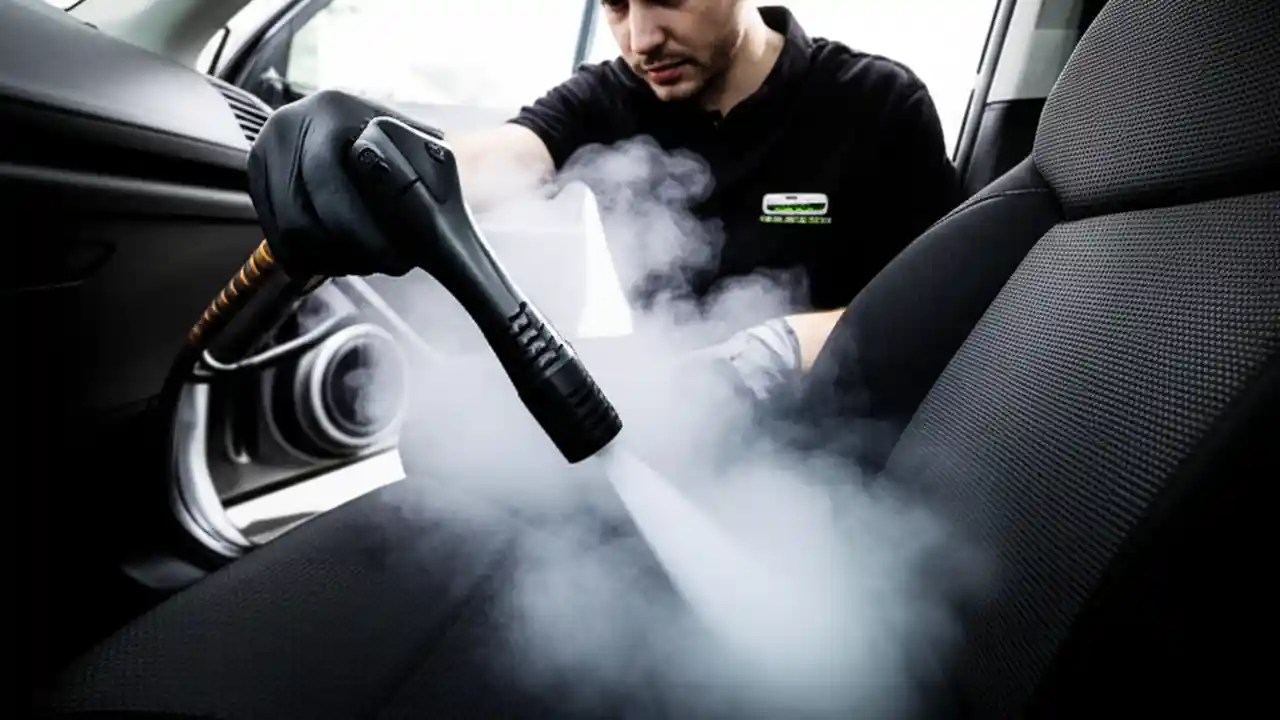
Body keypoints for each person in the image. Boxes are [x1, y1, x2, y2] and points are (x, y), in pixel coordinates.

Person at [247, 0, 963, 404]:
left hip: (833, 425)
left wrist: (767, 353)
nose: (641, 38)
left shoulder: (879, 103)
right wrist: (371, 165)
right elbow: (506, 156)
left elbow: (935, 307)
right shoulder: (612, 92)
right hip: (666, 407)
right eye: (616, 5)